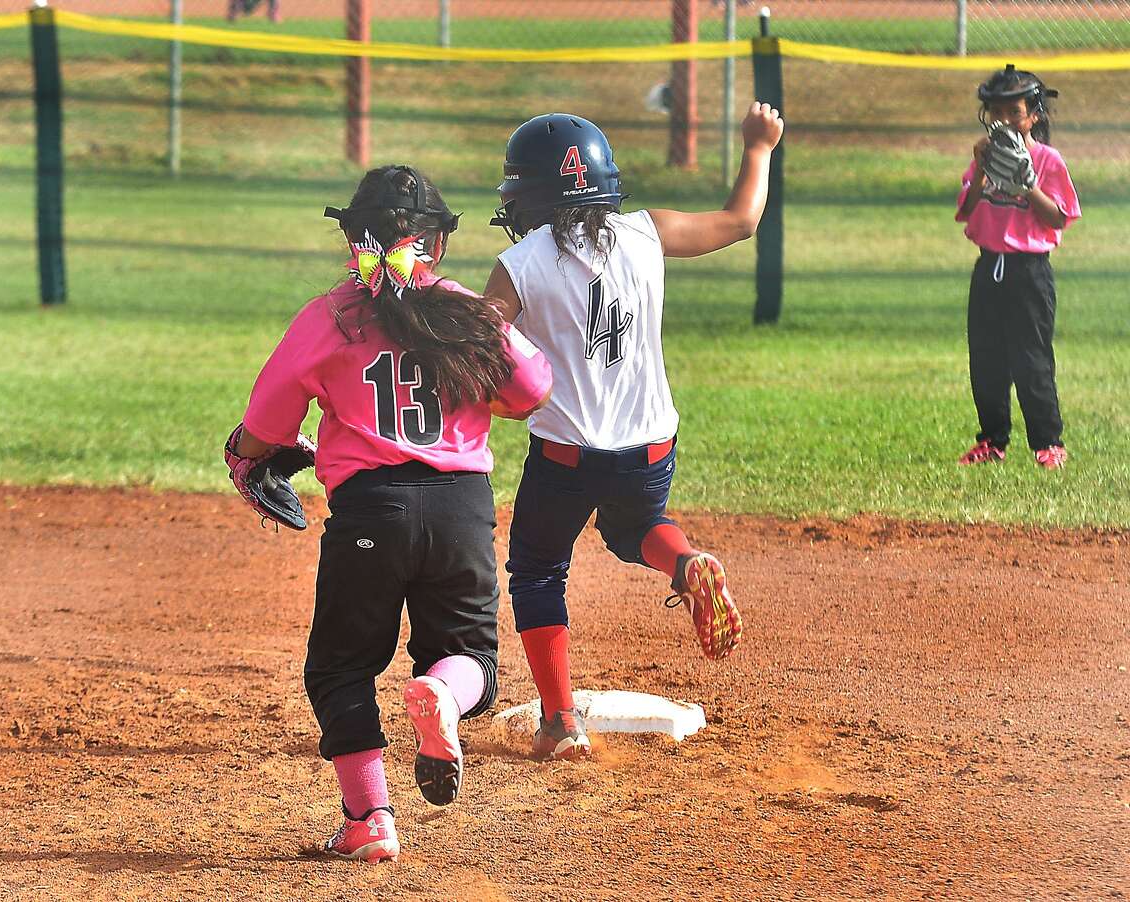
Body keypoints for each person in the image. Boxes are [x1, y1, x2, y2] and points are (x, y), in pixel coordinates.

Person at [226, 165, 552, 862]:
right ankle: (442, 694)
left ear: (354, 238)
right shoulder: (465, 309)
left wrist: (245, 455)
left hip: (369, 512)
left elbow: (266, 424)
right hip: (461, 510)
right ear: (436, 240)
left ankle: (369, 819)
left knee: (341, 669)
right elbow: (532, 388)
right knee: (472, 659)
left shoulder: (329, 315)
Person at [483, 103, 784, 760]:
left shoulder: (521, 262)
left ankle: (561, 723)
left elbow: (480, 349)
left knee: (537, 571)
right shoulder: (648, 231)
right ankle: (685, 563)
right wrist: (759, 147)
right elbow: (741, 220)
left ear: (530, 194)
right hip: (649, 446)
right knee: (634, 526)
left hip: (564, 455)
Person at [956, 65, 1080, 470]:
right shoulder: (984, 155)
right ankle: (992, 439)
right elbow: (967, 209)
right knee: (986, 357)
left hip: (1029, 272)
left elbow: (1058, 218)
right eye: (997, 111)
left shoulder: (1047, 159)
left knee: (1031, 359)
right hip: (989, 267)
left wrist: (1029, 185)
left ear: (1034, 115)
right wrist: (981, 169)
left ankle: (1049, 442)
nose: (1005, 119)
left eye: (1015, 112)